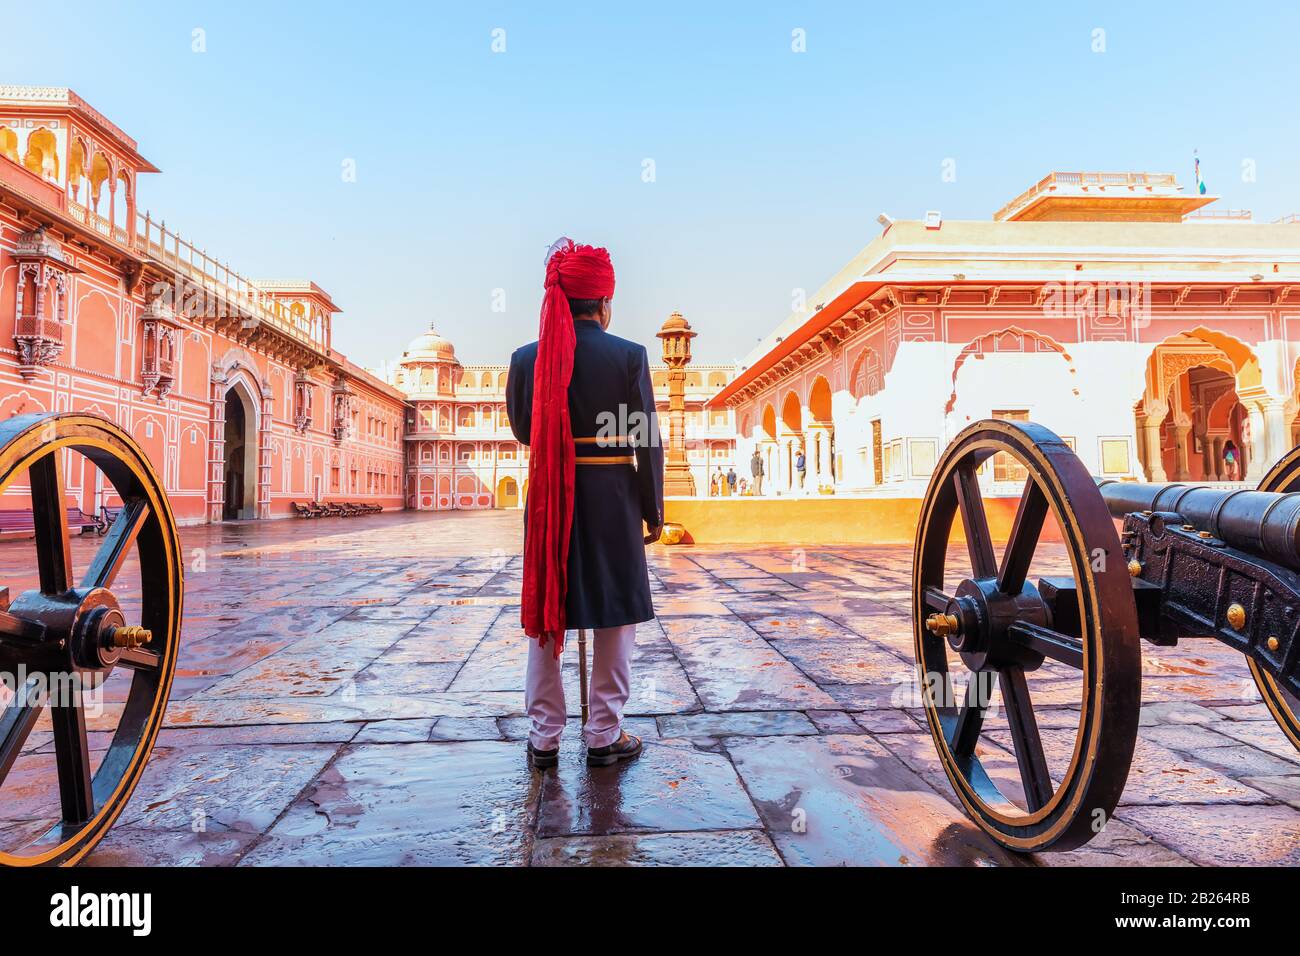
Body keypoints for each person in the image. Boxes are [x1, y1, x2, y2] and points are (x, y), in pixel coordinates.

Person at [506, 238, 665, 771]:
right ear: (604, 303)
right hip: (612, 495)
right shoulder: (628, 356)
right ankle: (603, 734)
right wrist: (653, 511)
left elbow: (526, 432)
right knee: (615, 617)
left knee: (547, 610)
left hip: (553, 495)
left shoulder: (527, 359)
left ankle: (545, 736)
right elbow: (645, 440)